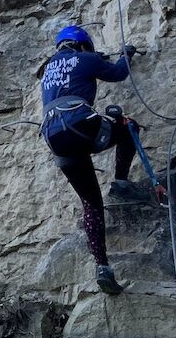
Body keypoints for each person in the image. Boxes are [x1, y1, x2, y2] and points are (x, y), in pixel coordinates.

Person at [39, 25, 147, 295]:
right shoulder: (86, 59)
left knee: (91, 203)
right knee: (127, 127)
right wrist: (126, 54)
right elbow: (118, 73)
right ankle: (121, 182)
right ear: (83, 44)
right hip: (80, 125)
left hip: (55, 138)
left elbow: (70, 74)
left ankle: (102, 267)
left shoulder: (48, 70)